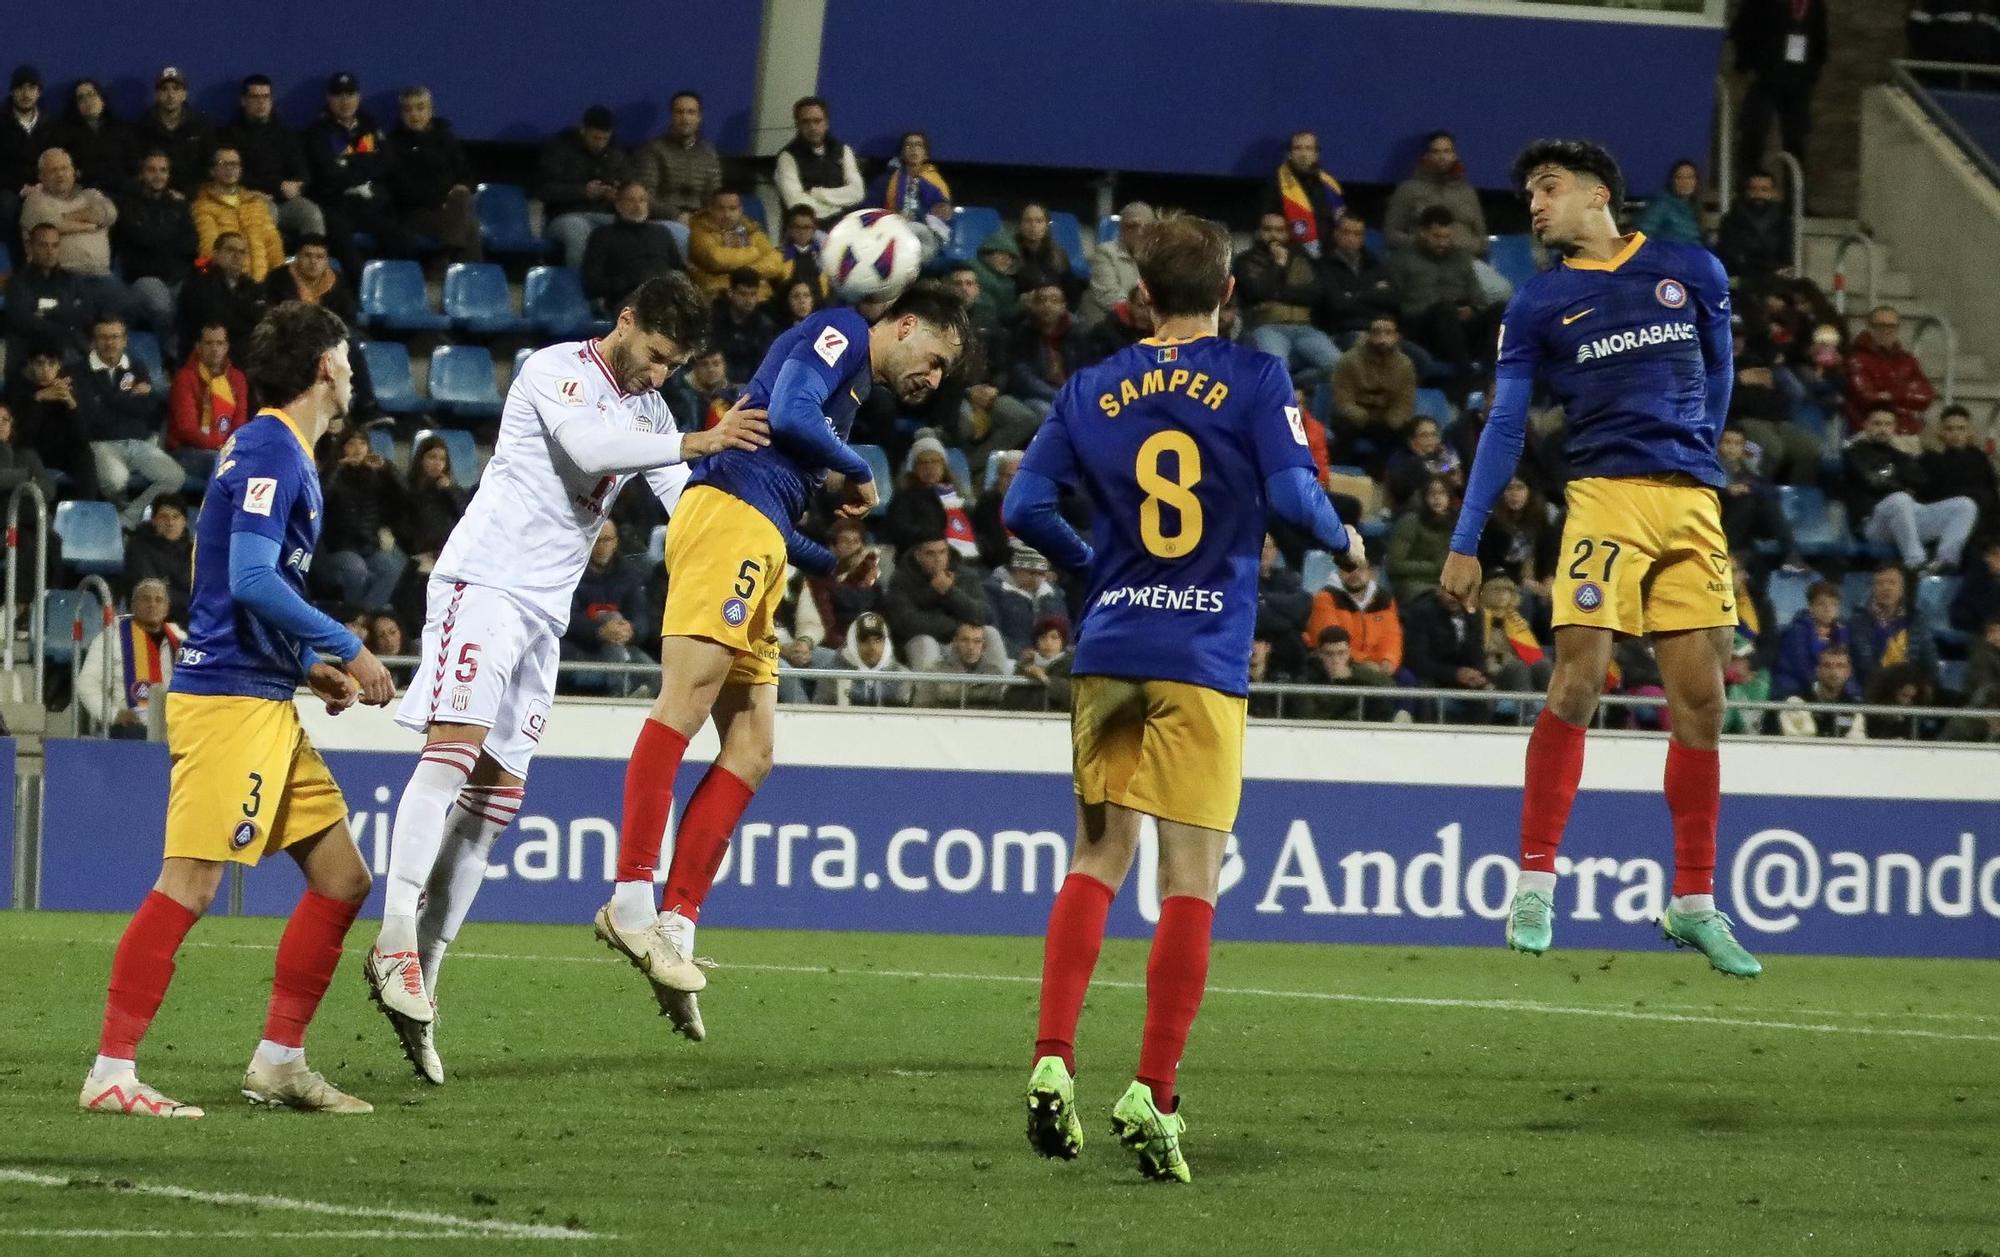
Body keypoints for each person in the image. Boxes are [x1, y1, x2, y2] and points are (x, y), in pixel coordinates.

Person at [1002, 211, 1363, 1182]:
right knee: (1187, 879)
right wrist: (1345, 538)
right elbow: (1291, 502)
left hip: (1114, 648)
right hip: (1202, 658)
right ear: (1229, 291)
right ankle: (1153, 1092)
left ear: (1140, 297)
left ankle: (1049, 1055)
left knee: (1096, 855)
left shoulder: (1088, 386)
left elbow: (1020, 507)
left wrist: (1092, 575)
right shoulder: (1253, 377)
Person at [364, 276, 767, 1084]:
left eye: (673, 366)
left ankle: (425, 989)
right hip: (485, 585)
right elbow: (590, 451)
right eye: (654, 356)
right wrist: (697, 440)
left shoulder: (652, 410)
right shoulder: (558, 371)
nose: (659, 377)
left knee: (494, 805)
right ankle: (394, 938)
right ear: (626, 320)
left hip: (544, 616)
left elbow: (685, 501)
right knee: (454, 751)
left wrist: (769, 509)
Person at [601, 282, 967, 1040]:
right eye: (933, 358)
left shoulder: (854, 385)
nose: (932, 380)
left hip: (756, 533)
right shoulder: (839, 331)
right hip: (726, 521)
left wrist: (833, 564)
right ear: (904, 325)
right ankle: (630, 897)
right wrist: (859, 467)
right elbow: (792, 415)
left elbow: (777, 493)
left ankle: (678, 924)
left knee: (754, 748)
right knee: (686, 703)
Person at [1441, 139, 1759, 975]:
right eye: (1530, 195)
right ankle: (1536, 881)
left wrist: (1703, 462)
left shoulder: (1693, 269)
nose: (1535, 206)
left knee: (1704, 701)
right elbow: (1506, 425)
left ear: (1596, 195)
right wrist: (1466, 538)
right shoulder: (1539, 304)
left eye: (1547, 188)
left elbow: (1719, 379)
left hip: (1691, 500)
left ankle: (1693, 900)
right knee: (1579, 679)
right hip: (1605, 497)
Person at [79, 300, 396, 1120]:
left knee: (341, 876)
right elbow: (252, 581)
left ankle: (279, 1061)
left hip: (263, 694)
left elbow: (230, 579)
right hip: (228, 703)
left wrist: (305, 663)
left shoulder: (281, 452)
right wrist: (350, 648)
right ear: (324, 368)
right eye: (347, 355)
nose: (353, 368)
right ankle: (113, 1070)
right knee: (190, 880)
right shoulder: (266, 449)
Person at [77, 316, 187, 527]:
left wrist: (108, 399)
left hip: (139, 442)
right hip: (101, 443)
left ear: (125, 340)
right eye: (104, 337)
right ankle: (122, 516)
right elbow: (91, 417)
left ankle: (127, 518)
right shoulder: (80, 370)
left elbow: (147, 409)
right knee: (115, 480)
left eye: (115, 337)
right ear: (93, 341)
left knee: (175, 477)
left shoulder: (137, 366)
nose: (110, 342)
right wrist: (128, 398)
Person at [1846, 404, 1976, 573]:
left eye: (1887, 424)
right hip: (1874, 524)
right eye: (1877, 424)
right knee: (1900, 498)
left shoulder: (1898, 454)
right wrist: (1902, 481)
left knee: (1965, 505)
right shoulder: (1854, 452)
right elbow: (1874, 481)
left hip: (1907, 518)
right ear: (1865, 425)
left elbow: (1923, 482)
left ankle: (1945, 561)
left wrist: (1894, 477)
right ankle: (1916, 563)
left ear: (1894, 427)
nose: (1882, 429)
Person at [1389, 206, 1500, 398]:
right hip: (1423, 330)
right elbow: (1393, 303)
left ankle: (1490, 375)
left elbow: (1479, 300)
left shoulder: (1461, 258)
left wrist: (1471, 310)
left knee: (1500, 309)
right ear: (1422, 232)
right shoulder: (1402, 259)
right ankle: (1465, 375)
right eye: (1437, 236)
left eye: (1447, 236)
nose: (1443, 242)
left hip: (1459, 328)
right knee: (1444, 309)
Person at [302, 72, 394, 277]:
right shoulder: (318, 131)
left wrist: (348, 163)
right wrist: (366, 161)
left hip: (370, 202)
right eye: (338, 95)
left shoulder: (370, 125)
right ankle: (360, 290)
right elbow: (328, 172)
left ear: (358, 97)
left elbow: (386, 162)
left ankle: (390, 289)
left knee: (402, 240)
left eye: (350, 95)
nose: (345, 101)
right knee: (344, 245)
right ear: (329, 98)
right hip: (337, 204)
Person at [1235, 212, 1339, 390]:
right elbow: (1257, 291)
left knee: (1341, 368)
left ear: (1287, 233)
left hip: (1304, 327)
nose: (1273, 235)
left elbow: (1316, 294)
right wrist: (1279, 266)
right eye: (1268, 229)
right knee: (1276, 370)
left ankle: (1297, 384)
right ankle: (1286, 389)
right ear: (1259, 232)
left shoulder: (1302, 259)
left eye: (1279, 230)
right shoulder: (1245, 260)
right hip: (1267, 326)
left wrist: (1278, 293)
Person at [218, 75, 324, 241]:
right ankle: (265, 267)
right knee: (266, 212)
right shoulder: (230, 135)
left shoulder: (285, 134)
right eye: (255, 97)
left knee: (310, 212)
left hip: (285, 201)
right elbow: (231, 175)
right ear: (243, 101)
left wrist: (298, 186)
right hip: (250, 198)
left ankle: (312, 264)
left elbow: (303, 173)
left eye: (266, 96)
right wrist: (274, 186)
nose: (261, 102)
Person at [384, 86, 480, 264]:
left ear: (430, 110)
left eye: (420, 108)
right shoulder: (393, 144)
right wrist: (442, 198)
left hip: (448, 211)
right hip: (413, 215)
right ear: (401, 114)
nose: (414, 114)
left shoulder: (446, 139)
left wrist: (459, 189)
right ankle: (460, 271)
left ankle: (446, 260)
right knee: (469, 227)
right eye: (408, 109)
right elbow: (401, 189)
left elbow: (467, 177)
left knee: (462, 196)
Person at [1733, 0, 1828, 180]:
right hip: (1766, 77)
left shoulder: (1816, 5)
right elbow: (1741, 29)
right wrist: (1748, 65)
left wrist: (1812, 73)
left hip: (1798, 81)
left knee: (1796, 140)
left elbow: (1820, 40)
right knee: (1754, 134)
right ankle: (1747, 192)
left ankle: (1795, 202)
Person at [317, 427, 407, 612]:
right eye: (351, 443)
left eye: (362, 443)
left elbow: (405, 496)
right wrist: (337, 467)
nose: (357, 448)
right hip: (340, 547)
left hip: (369, 546)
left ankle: (366, 617)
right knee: (356, 571)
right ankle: (352, 615)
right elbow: (320, 496)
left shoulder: (376, 475)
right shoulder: (333, 472)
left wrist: (388, 468)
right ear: (342, 448)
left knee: (392, 568)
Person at [79, 577, 182, 739]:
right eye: (145, 599)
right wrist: (114, 715)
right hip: (130, 723)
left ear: (166, 608)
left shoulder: (180, 640)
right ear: (133, 605)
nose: (152, 604)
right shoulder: (110, 637)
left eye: (159, 600)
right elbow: (87, 684)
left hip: (174, 721)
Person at [115, 150, 199, 346]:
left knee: (202, 302)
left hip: (177, 277)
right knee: (163, 308)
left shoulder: (179, 205)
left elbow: (191, 243)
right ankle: (170, 358)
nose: (158, 175)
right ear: (141, 174)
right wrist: (169, 238)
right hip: (144, 278)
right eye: (151, 170)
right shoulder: (127, 205)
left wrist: (159, 240)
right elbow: (143, 239)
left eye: (163, 170)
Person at [537, 105, 630, 269]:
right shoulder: (561, 148)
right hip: (563, 216)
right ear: (583, 130)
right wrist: (583, 192)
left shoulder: (616, 154)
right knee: (578, 229)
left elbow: (627, 185)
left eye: (604, 139)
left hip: (602, 213)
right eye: (595, 138)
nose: (600, 144)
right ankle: (578, 289)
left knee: (627, 229)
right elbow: (544, 190)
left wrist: (617, 195)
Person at [564, 519, 649, 693]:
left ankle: (629, 695)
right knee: (612, 620)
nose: (602, 546)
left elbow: (642, 617)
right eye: (597, 540)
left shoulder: (629, 574)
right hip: (580, 649)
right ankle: (621, 694)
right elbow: (567, 617)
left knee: (656, 675)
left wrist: (631, 630)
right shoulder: (572, 573)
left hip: (623, 644)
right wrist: (599, 631)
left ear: (616, 542)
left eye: (607, 540)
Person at [166, 321, 250, 482]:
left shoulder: (237, 378)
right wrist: (219, 446)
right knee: (220, 463)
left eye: (220, 343)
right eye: (209, 343)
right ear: (198, 347)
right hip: (186, 450)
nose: (215, 349)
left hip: (224, 449)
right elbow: (187, 428)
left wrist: (227, 447)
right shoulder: (185, 378)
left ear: (226, 347)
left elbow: (239, 423)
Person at [582, 182, 685, 313]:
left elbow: (679, 270)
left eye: (642, 200)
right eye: (631, 200)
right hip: (628, 300)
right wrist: (630, 280)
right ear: (618, 205)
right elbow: (592, 284)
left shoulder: (662, 233)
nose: (638, 206)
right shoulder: (603, 236)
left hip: (665, 297)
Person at [1385, 131, 1487, 257]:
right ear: (1426, 156)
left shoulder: (1468, 192)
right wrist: (1426, 244)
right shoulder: (1408, 189)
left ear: (1454, 155)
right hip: (1422, 262)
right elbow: (1391, 235)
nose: (1442, 157)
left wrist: (1460, 246)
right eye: (1436, 152)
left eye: (1447, 151)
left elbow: (1483, 240)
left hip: (1465, 263)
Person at [192, 147, 286, 282]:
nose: (230, 168)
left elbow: (273, 245)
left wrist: (280, 278)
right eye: (224, 164)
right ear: (212, 171)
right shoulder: (203, 206)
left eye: (234, 164)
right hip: (229, 284)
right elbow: (209, 248)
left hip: (263, 284)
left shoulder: (255, 202)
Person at [21, 146, 118, 277]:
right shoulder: (35, 200)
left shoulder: (91, 195)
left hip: (102, 275)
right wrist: (91, 225)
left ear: (73, 172)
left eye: (64, 168)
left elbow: (110, 214)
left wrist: (67, 216)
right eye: (53, 170)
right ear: (41, 177)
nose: (60, 174)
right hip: (61, 277)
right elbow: (50, 225)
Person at [7, 222, 98, 357]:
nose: (50, 251)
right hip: (36, 352)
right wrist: (67, 321)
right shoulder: (19, 282)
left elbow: (87, 314)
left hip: (72, 347)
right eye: (43, 245)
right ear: (30, 247)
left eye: (55, 245)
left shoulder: (72, 279)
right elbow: (25, 322)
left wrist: (47, 312)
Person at [1715, 426, 1801, 567]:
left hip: (1751, 524)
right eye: (1727, 442)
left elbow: (1774, 493)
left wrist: (1750, 487)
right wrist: (1727, 491)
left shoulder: (1749, 468)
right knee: (1748, 500)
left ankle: (1791, 555)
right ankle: (1726, 551)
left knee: (1766, 503)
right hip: (1723, 518)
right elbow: (1703, 492)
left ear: (1743, 448)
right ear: (1718, 445)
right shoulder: (1712, 468)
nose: (1731, 448)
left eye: (1737, 444)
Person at [1844, 306, 1936, 435]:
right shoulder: (1856, 359)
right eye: (1881, 326)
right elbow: (1868, 398)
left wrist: (1891, 395)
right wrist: (1905, 395)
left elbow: (1926, 395)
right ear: (1869, 327)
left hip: (1907, 431)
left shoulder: (1907, 360)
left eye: (1891, 326)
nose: (1886, 330)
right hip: (1869, 433)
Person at [1328, 313, 1416, 450]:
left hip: (1387, 420)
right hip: (1355, 418)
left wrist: (1391, 422)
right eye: (1377, 333)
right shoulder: (1348, 360)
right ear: (1367, 335)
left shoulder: (1405, 365)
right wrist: (1366, 420)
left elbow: (1404, 403)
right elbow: (1342, 400)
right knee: (1342, 425)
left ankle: (1386, 470)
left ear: (1396, 337)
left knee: (1405, 430)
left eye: (1388, 333)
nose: (1382, 339)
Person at [1303, 555, 1402, 675]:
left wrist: (1388, 660)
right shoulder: (1325, 598)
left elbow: (1391, 638)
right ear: (1339, 571)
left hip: (1377, 665)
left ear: (1371, 572)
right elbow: (1331, 641)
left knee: (1407, 680)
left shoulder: (1385, 600)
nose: (1354, 573)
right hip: (1336, 662)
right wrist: (1365, 662)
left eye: (1360, 569)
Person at [632, 90, 720, 224]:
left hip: (700, 221)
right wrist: (677, 215)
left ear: (699, 118)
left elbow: (715, 195)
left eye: (691, 112)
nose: (685, 118)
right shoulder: (653, 150)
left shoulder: (709, 153)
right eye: (679, 112)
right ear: (671, 117)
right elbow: (644, 196)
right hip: (665, 221)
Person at [772, 96, 863, 225]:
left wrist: (817, 193)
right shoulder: (787, 157)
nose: (812, 127)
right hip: (804, 234)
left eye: (817, 121)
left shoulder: (843, 150)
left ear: (826, 123)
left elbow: (857, 192)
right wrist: (836, 208)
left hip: (841, 231)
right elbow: (796, 203)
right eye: (806, 122)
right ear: (797, 125)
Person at [686, 185, 785, 300]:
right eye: (721, 209)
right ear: (711, 209)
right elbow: (716, 260)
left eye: (732, 209)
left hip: (760, 299)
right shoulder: (699, 231)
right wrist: (755, 251)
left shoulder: (751, 229)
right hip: (720, 297)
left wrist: (736, 270)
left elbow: (775, 264)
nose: (727, 215)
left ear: (740, 210)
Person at [1847, 563, 1938, 687]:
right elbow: (1864, 666)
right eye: (1880, 583)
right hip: (1875, 689)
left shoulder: (1916, 619)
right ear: (1873, 588)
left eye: (1892, 582)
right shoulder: (1858, 621)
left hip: (1911, 688)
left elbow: (1929, 661)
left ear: (1902, 589)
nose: (1886, 588)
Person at [1261, 131, 1344, 259]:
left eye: (1309, 148)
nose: (1303, 154)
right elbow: (1268, 226)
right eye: (1298, 148)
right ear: (1289, 154)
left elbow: (1341, 220)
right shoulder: (1276, 184)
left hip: (1328, 256)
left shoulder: (1329, 184)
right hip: (1291, 257)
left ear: (1317, 154)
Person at [178, 231, 267, 350]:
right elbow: (215, 320)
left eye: (242, 252)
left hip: (245, 352)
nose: (237, 256)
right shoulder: (198, 281)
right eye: (231, 250)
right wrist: (245, 316)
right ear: (215, 254)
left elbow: (262, 321)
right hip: (208, 353)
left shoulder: (252, 286)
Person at [134, 67, 214, 197]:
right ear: (156, 95)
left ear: (184, 94)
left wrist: (189, 193)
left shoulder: (201, 126)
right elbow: (138, 168)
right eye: (164, 89)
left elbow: (209, 166)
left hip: (193, 196)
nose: (170, 95)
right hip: (153, 195)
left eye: (176, 89)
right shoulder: (142, 127)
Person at [1923, 405, 2000, 539]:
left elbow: (1992, 489)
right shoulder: (1931, 459)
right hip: (1952, 515)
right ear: (1941, 432)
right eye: (1949, 429)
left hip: (1986, 515)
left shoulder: (1979, 457)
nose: (1956, 434)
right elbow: (1933, 495)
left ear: (1969, 431)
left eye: (1961, 428)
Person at [868, 130, 952, 253]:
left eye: (918, 145)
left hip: (925, 234)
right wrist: (891, 217)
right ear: (901, 153)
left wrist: (942, 211)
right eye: (908, 145)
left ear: (926, 154)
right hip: (892, 231)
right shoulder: (885, 180)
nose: (913, 149)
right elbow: (869, 209)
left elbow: (943, 215)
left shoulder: (936, 182)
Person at [51, 79, 131, 195]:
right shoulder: (64, 134)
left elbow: (133, 165)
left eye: (91, 94)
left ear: (102, 100)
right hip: (82, 192)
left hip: (120, 191)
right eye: (81, 98)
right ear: (76, 105)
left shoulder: (122, 129)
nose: (87, 101)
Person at [1080, 202, 1152, 329]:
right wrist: (1145, 311)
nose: (1139, 231)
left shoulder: (1156, 257)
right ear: (1122, 229)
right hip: (1107, 327)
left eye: (1145, 227)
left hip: (1143, 325)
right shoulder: (1105, 252)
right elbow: (1108, 296)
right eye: (1131, 226)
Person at [815, 610, 911, 706]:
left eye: (878, 640)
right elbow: (820, 714)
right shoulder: (832, 674)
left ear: (886, 642)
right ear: (853, 642)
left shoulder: (902, 676)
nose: (872, 647)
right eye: (864, 640)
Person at [1387, 475, 1457, 606]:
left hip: (1444, 584)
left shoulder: (1455, 524)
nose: (1437, 498)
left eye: (1442, 493)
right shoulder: (1410, 522)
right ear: (1424, 497)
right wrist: (1433, 567)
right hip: (1412, 583)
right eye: (1432, 493)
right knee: (1432, 604)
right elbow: (1394, 564)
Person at [988, 542, 1067, 656]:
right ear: (1016, 569)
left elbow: (1065, 632)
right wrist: (1019, 653)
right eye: (1031, 573)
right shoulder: (995, 591)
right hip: (1010, 660)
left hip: (1051, 659)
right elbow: (994, 632)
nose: (1035, 579)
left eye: (1040, 574)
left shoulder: (1053, 595)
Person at [1772, 578, 1847, 699]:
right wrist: (1823, 687)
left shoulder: (1841, 632)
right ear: (1811, 608)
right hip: (1792, 689)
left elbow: (1845, 666)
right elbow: (1801, 667)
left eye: (1833, 604)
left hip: (1826, 689)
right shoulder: (1797, 630)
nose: (1828, 609)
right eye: (1821, 604)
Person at [1298, 624, 1392, 720]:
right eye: (1329, 654)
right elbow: (1307, 717)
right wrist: (1341, 682)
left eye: (1341, 653)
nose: (1335, 660)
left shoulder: (1357, 670)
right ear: (1319, 654)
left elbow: (1388, 686)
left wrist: (1352, 676)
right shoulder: (1307, 679)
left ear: (1348, 652)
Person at [1714, 173, 1793, 286]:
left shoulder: (1783, 221)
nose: (1758, 194)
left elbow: (1786, 255)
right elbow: (1730, 255)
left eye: (1764, 189)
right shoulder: (1732, 219)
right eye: (1753, 189)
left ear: (1774, 193)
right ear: (1746, 192)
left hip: (1774, 280)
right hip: (1741, 279)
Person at [914, 619, 1012, 708]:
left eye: (977, 641)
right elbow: (921, 709)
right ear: (955, 643)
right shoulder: (935, 671)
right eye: (964, 640)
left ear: (984, 646)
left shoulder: (993, 674)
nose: (970, 647)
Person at [126, 494, 194, 622]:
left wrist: (168, 587)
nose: (170, 523)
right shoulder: (138, 546)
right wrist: (189, 598)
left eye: (176, 517)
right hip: (150, 624)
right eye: (164, 517)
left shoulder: (193, 551)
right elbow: (151, 594)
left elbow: (204, 592)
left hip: (190, 622)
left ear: (184, 522)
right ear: (154, 521)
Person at [264, 233, 356, 325]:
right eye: (307, 255)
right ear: (297, 257)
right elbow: (269, 313)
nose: (313, 261)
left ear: (326, 261)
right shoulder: (278, 278)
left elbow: (348, 316)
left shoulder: (338, 281)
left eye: (319, 257)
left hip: (328, 334)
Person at [710, 267, 780, 386]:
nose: (749, 300)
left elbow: (765, 365)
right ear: (730, 293)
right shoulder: (713, 319)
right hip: (716, 384)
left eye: (753, 294)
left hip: (750, 387)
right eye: (743, 294)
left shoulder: (765, 326)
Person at [1635, 160, 1706, 246]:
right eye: (1679, 177)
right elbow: (1643, 236)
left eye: (1690, 177)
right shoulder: (1660, 205)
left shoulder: (1694, 208)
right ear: (1672, 181)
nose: (1685, 182)